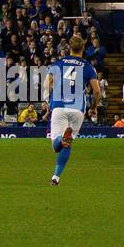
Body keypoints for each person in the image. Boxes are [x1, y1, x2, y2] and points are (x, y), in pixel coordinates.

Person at [44, 35, 102, 186]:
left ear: (69, 48)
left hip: (59, 106)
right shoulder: (88, 67)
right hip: (77, 109)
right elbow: (97, 91)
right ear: (83, 48)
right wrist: (94, 108)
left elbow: (47, 83)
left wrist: (49, 99)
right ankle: (56, 177)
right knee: (68, 143)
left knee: (56, 145)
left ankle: (60, 138)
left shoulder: (58, 63)